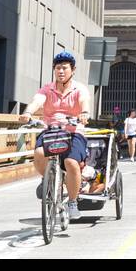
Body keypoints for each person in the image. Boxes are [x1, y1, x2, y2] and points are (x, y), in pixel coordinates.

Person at [20, 50, 93, 220]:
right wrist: (28, 113)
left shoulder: (79, 89)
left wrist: (84, 113)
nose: (61, 71)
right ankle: (48, 178)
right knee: (38, 153)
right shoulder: (47, 89)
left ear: (72, 70)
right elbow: (37, 101)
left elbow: (84, 102)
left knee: (71, 162)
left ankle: (73, 202)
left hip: (74, 132)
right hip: (51, 130)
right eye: (57, 68)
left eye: (64, 68)